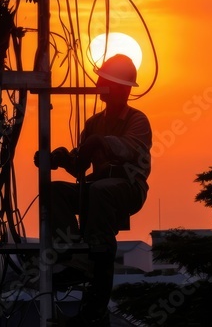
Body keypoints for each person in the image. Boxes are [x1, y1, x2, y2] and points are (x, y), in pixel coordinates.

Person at [38, 53, 152, 327]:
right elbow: (80, 167)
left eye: (106, 82)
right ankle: (72, 254)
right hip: (96, 191)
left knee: (100, 190)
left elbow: (128, 148)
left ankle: (92, 259)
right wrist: (62, 158)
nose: (100, 86)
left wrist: (100, 142)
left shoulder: (137, 120)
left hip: (128, 189)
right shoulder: (93, 123)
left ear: (122, 89)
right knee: (55, 192)